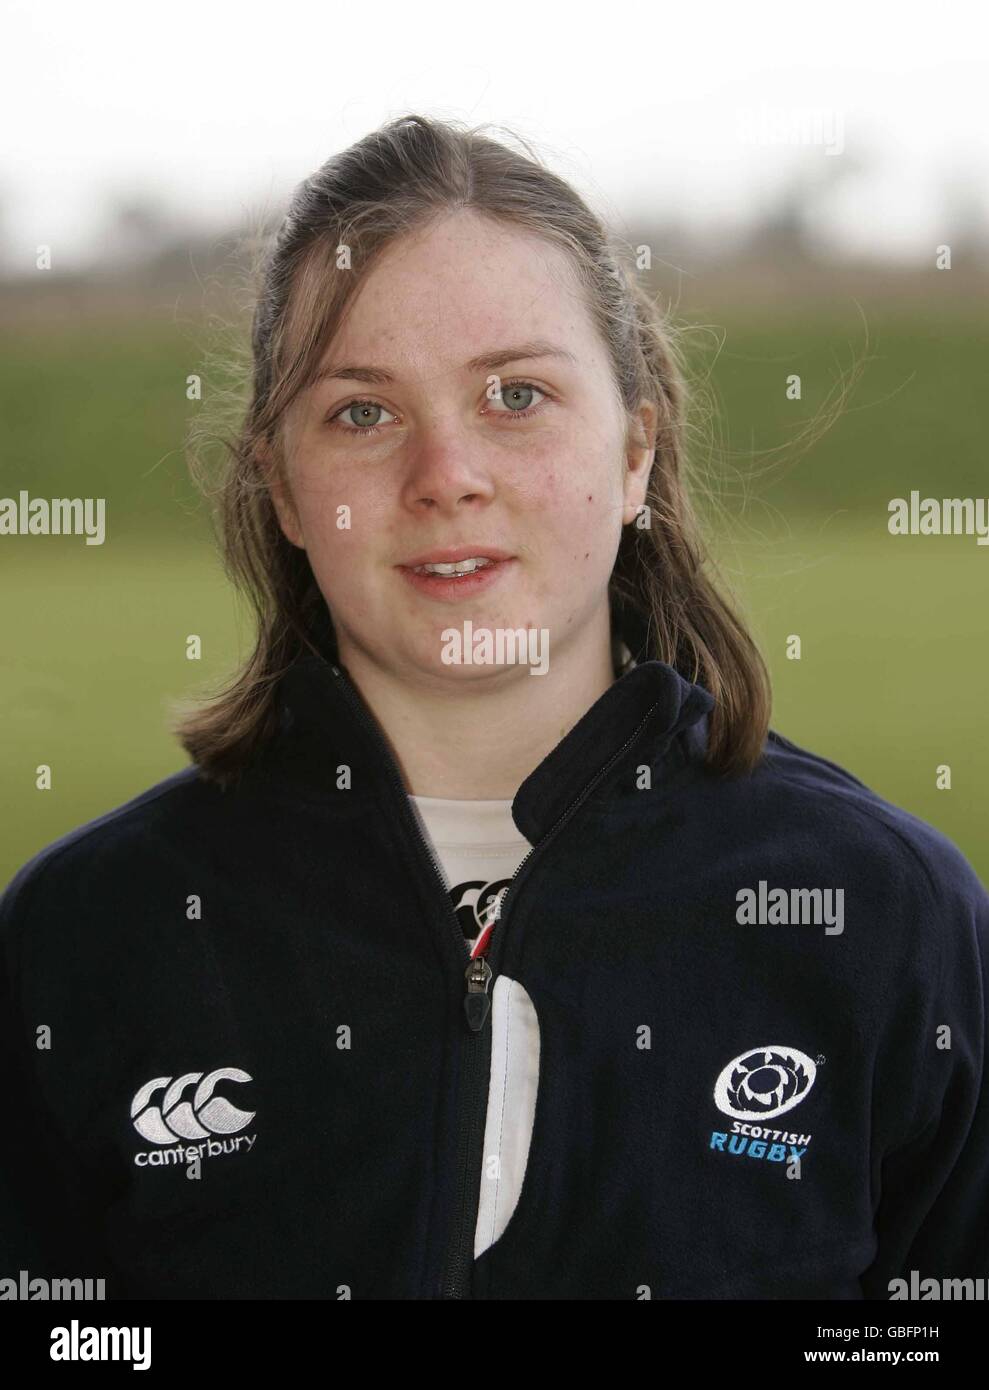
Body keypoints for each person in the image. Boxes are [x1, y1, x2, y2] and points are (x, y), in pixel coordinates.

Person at [1, 113, 987, 1302]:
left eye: (514, 395)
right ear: (283, 487)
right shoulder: (81, 938)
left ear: (633, 454)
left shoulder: (889, 917)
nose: (445, 475)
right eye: (361, 412)